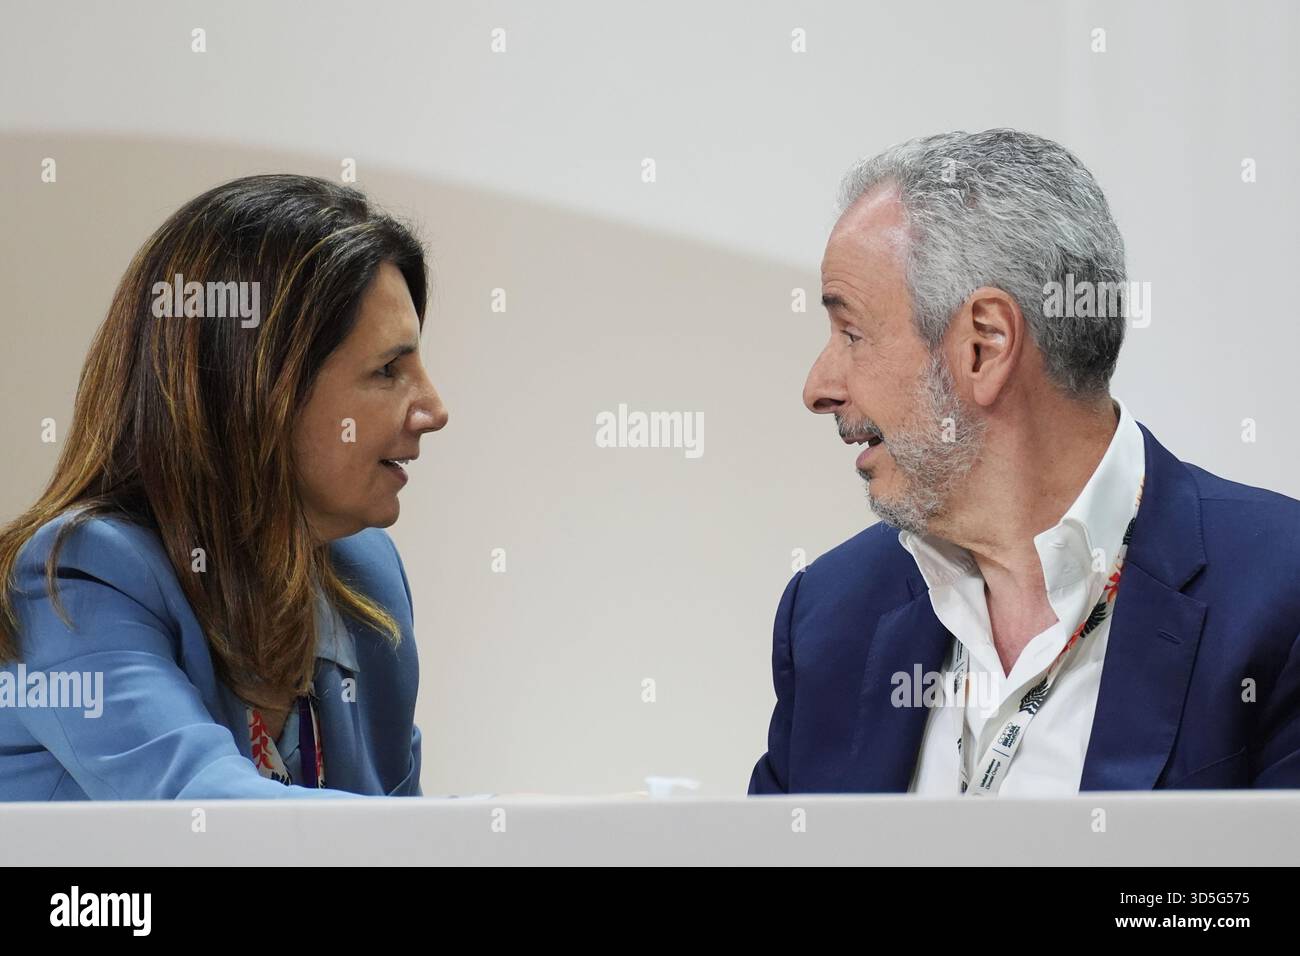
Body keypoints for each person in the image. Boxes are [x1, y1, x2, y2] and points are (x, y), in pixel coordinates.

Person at [750, 129, 1300, 796]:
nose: (818, 387)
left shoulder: (1278, 595)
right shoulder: (830, 618)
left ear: (985, 345)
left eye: (851, 333)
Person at [0, 174, 449, 799]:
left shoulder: (365, 576)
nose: (433, 407)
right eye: (388, 370)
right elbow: (205, 819)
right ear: (254, 392)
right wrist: (515, 830)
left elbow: (398, 840)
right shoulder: (80, 577)